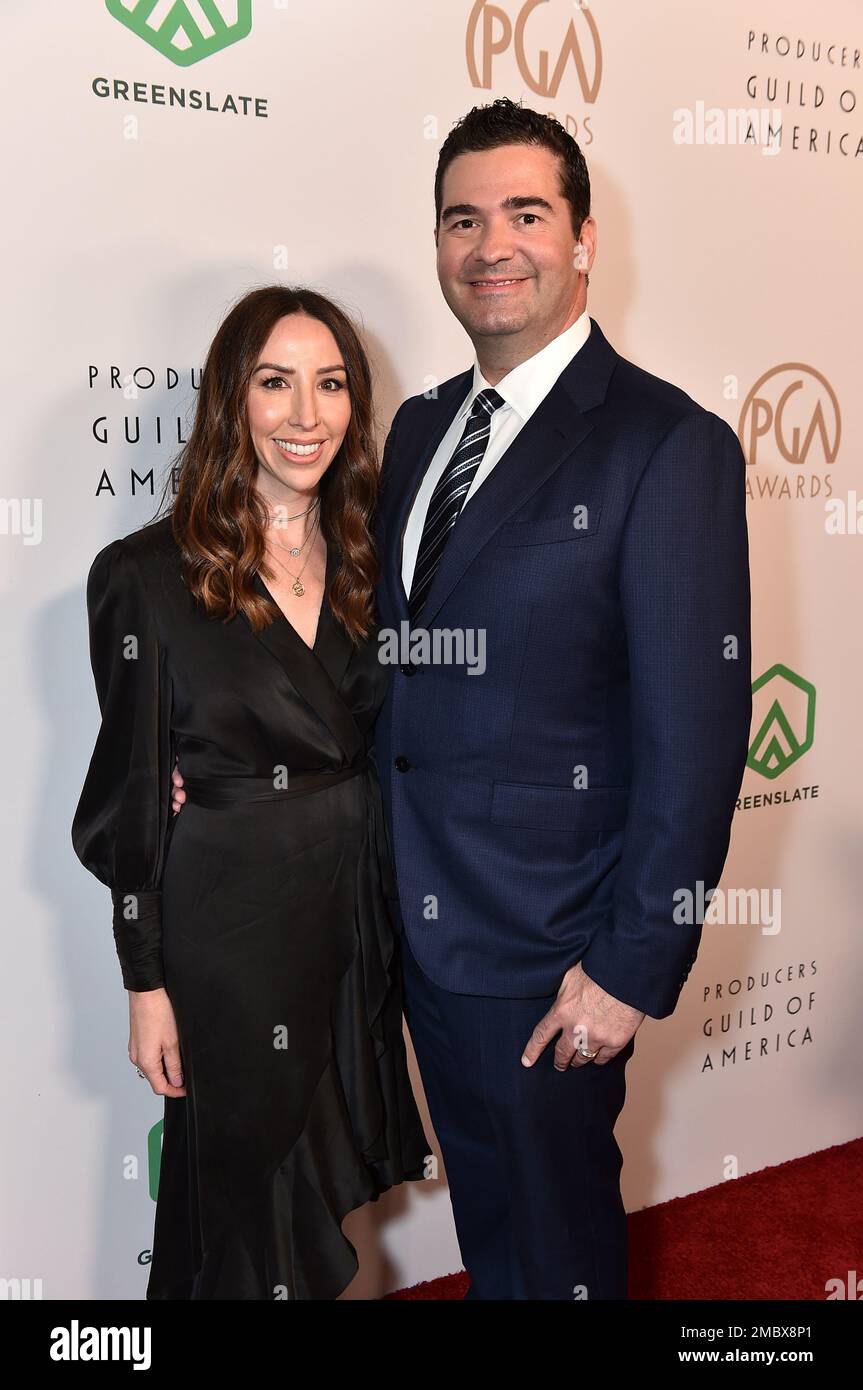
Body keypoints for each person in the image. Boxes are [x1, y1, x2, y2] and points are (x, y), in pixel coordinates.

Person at [371, 98, 752, 1299]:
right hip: (412, 934)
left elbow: (696, 733)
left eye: (525, 214)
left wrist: (632, 964)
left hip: (550, 956)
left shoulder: (662, 444)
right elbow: (389, 661)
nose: (492, 245)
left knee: (553, 1257)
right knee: (497, 1247)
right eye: (462, 219)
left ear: (583, 238)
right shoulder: (421, 427)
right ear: (435, 245)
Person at [71, 285, 430, 1301]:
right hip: (227, 928)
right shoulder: (143, 577)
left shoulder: (374, 562)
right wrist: (146, 983)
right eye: (275, 382)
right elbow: (134, 799)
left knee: (316, 1190)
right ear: (232, 399)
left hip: (354, 916)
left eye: (330, 384)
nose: (305, 414)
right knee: (238, 1197)